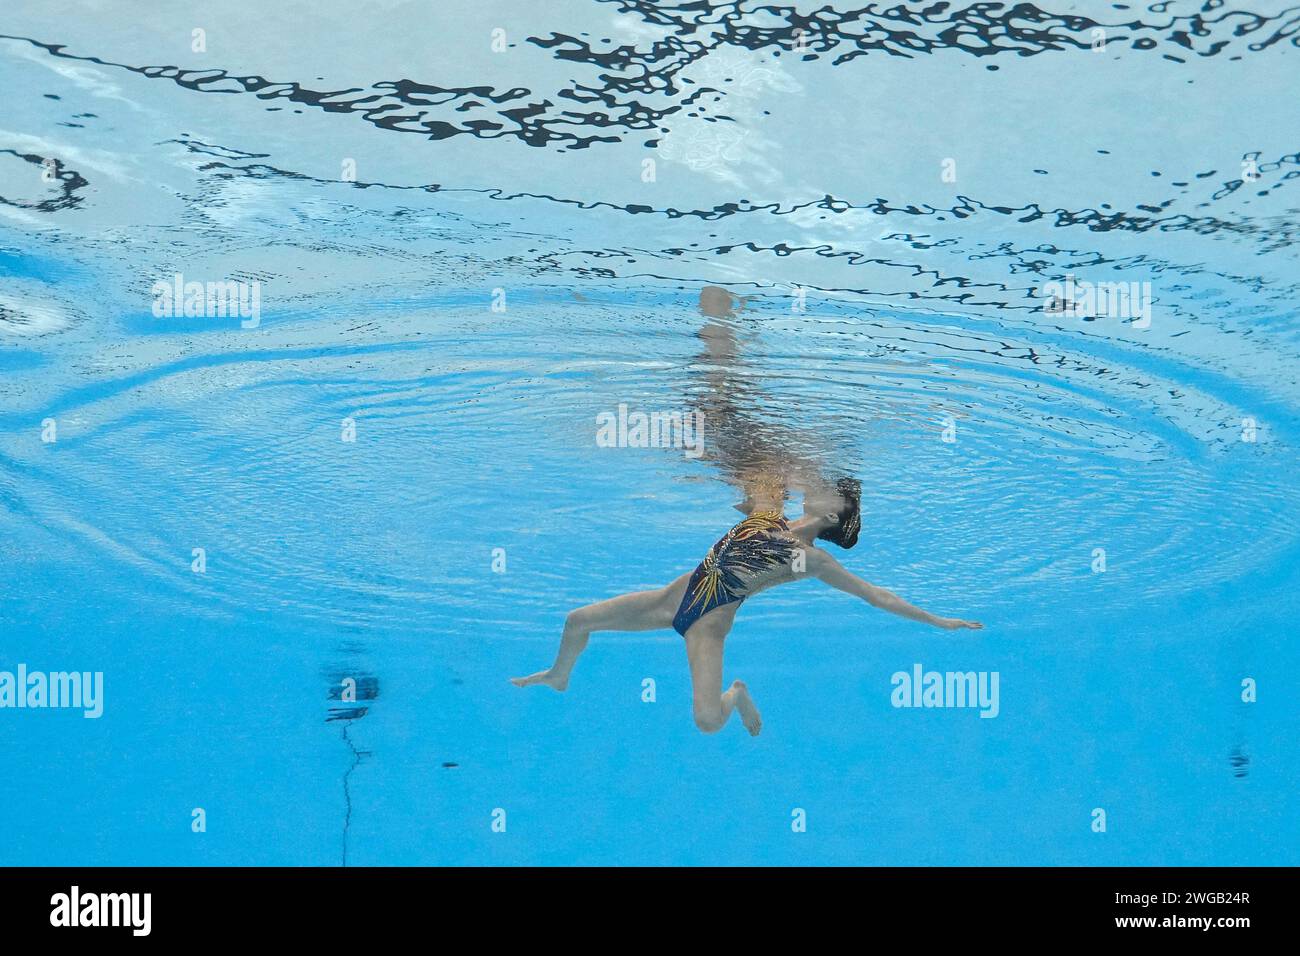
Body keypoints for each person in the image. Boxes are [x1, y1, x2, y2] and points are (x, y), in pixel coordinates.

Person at [511, 288, 982, 736]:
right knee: (577, 620)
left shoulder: (811, 558)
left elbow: (876, 596)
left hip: (708, 624)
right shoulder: (768, 511)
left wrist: (941, 621)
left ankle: (737, 693)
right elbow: (753, 486)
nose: (815, 487)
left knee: (709, 721)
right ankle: (559, 675)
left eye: (826, 492)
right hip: (668, 600)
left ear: (836, 512)